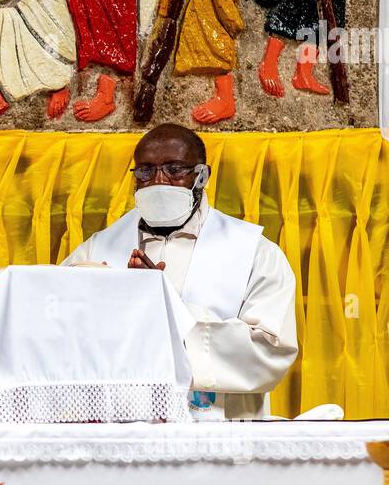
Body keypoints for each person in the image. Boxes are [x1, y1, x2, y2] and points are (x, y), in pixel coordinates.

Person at [63, 123, 297, 418]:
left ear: (202, 176)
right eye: (146, 171)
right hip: (120, 431)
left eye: (174, 169)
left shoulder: (255, 253)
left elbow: (270, 351)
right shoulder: (96, 250)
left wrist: (165, 305)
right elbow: (62, 326)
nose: (159, 182)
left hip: (215, 442)